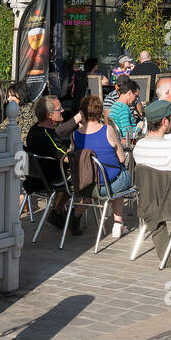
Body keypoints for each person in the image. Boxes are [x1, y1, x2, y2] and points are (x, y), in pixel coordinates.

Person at [72, 95, 132, 238]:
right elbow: (122, 158)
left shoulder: (75, 134)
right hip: (107, 185)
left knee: (97, 181)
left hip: (85, 183)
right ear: (100, 112)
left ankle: (76, 215)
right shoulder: (107, 130)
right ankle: (118, 222)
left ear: (83, 113)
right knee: (122, 176)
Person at [24, 94, 82, 231]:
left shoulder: (34, 130)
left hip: (33, 177)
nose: (63, 110)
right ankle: (60, 213)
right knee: (82, 177)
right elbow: (66, 158)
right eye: (59, 109)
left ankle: (60, 212)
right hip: (49, 180)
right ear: (49, 115)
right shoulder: (48, 135)